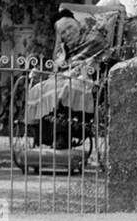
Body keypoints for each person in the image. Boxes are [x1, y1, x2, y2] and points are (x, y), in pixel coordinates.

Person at [23, 10, 116, 144]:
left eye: (70, 28)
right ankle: (44, 137)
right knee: (38, 88)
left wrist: (71, 69)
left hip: (88, 79)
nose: (68, 33)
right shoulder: (62, 50)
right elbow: (58, 67)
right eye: (63, 33)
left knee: (65, 87)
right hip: (64, 78)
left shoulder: (93, 39)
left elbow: (101, 58)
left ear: (78, 24)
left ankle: (62, 136)